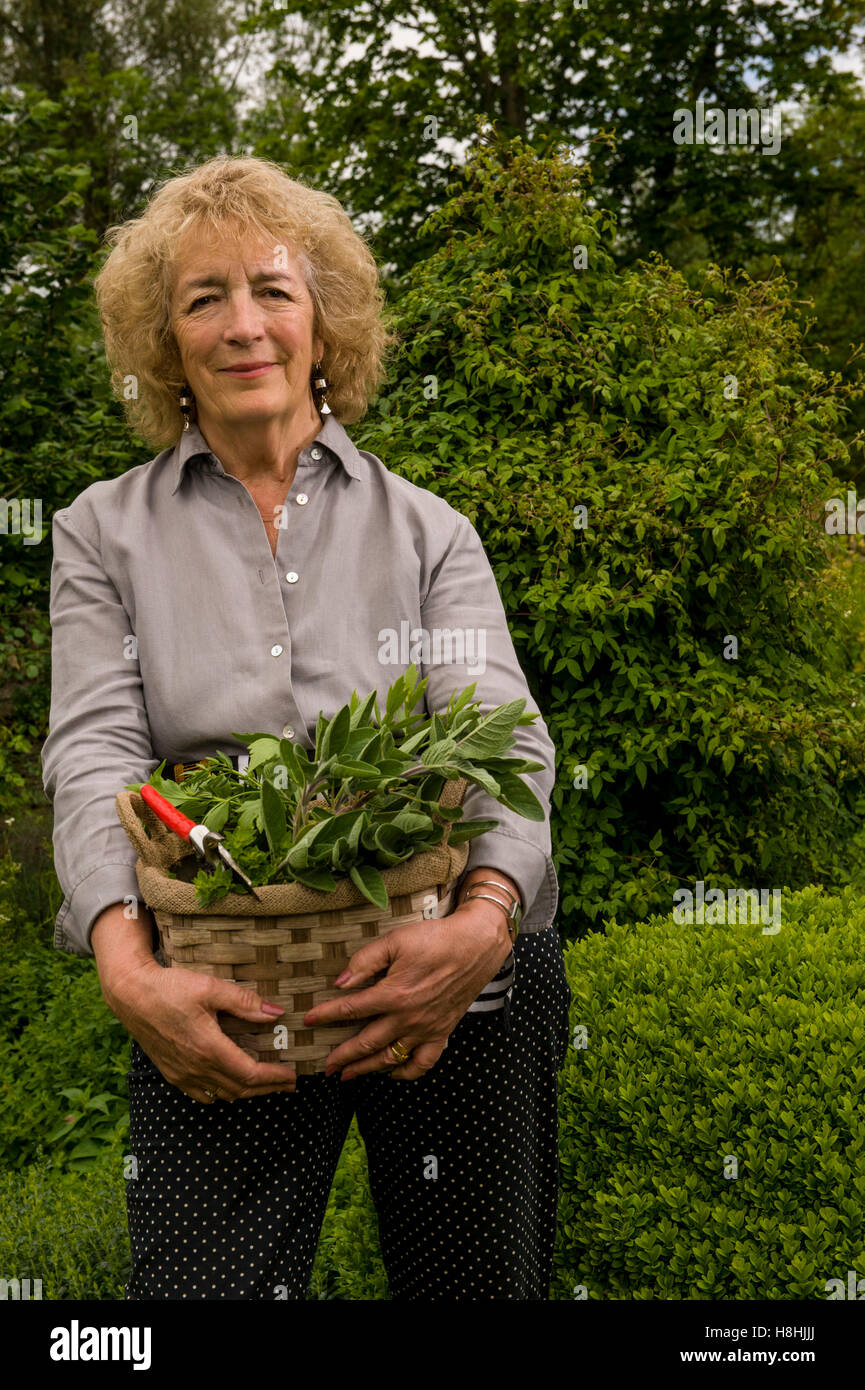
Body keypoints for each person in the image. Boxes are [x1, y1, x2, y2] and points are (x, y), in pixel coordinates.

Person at [40, 154, 571, 1301]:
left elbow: (501, 738)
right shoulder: (101, 534)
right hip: (225, 984)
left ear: (323, 324)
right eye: (204, 298)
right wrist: (128, 971)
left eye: (273, 290)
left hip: (442, 964)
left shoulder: (429, 532)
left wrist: (482, 926)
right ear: (163, 341)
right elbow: (94, 752)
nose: (243, 326)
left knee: (478, 1287)